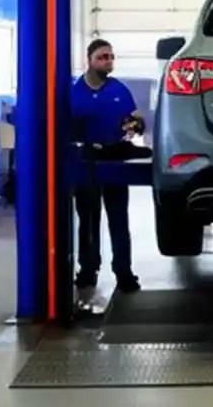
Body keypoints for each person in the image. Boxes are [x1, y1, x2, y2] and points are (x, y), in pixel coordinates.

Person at [70, 38, 143, 294]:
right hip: (85, 163)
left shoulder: (119, 91)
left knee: (118, 219)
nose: (108, 61)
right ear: (89, 60)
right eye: (102, 57)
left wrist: (129, 132)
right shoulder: (73, 92)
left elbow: (134, 122)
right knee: (88, 220)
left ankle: (124, 272)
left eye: (111, 57)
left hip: (113, 162)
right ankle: (88, 270)